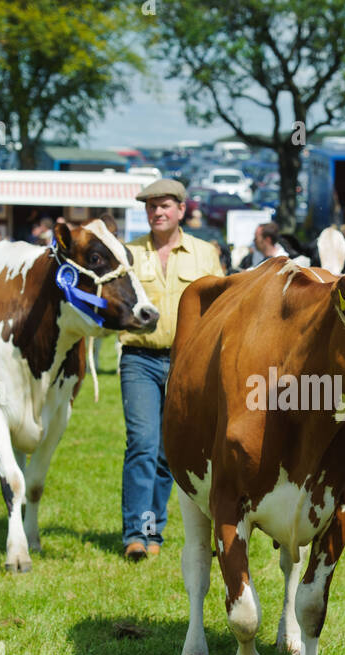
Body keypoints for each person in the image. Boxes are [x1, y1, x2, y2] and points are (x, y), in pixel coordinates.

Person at [120, 179, 223, 561]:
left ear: (181, 209)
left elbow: (219, 308)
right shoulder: (128, 253)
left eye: (164, 206)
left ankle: (153, 532)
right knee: (143, 444)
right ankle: (136, 534)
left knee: (169, 451)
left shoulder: (205, 254)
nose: (157, 212)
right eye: (151, 207)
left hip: (188, 364)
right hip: (139, 359)